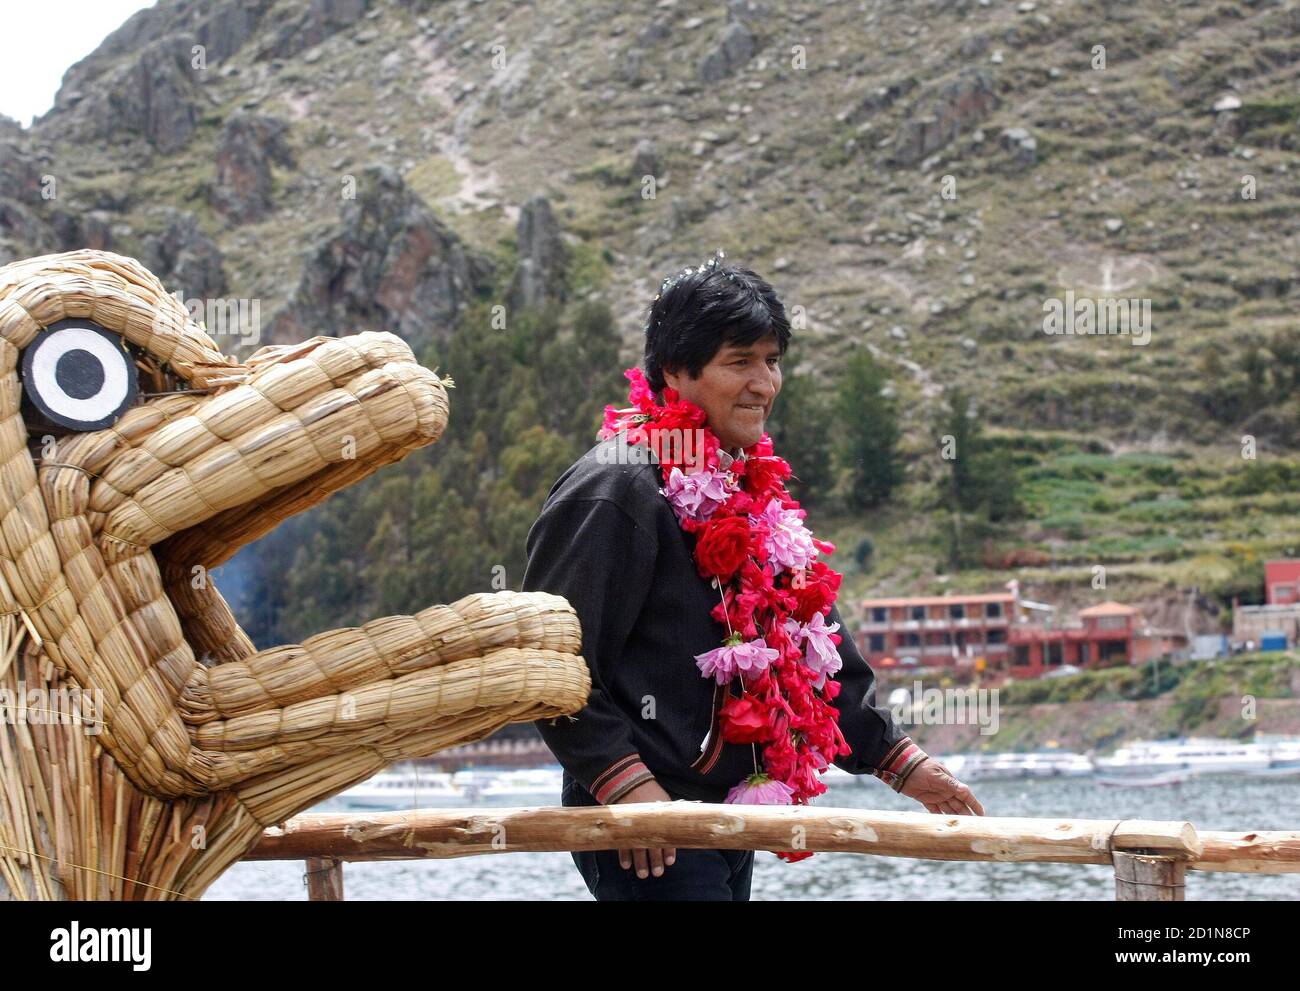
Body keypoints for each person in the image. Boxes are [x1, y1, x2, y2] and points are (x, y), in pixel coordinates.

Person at [522, 253, 983, 901]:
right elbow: (549, 663)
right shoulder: (615, 485)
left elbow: (815, 650)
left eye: (772, 361)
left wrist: (901, 763)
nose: (764, 383)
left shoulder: (750, 489)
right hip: (644, 823)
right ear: (676, 372)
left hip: (733, 813)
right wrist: (626, 785)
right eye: (740, 362)